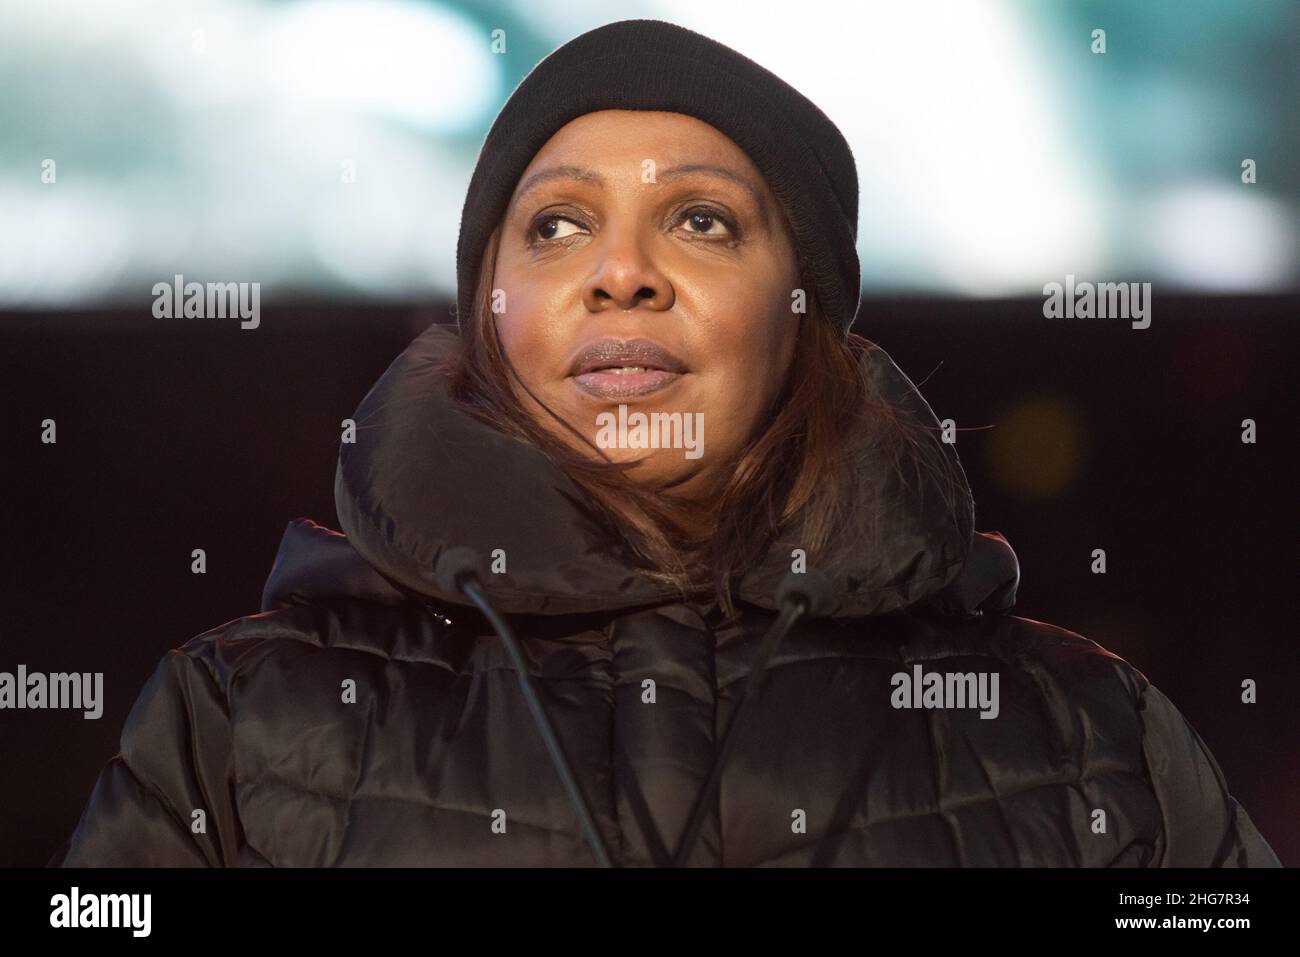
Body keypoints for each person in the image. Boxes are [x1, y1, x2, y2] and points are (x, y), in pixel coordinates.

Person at [49, 18, 1279, 868]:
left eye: (698, 220)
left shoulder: (1080, 734)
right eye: (556, 227)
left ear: (804, 319)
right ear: (489, 314)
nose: (622, 274)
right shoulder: (241, 713)